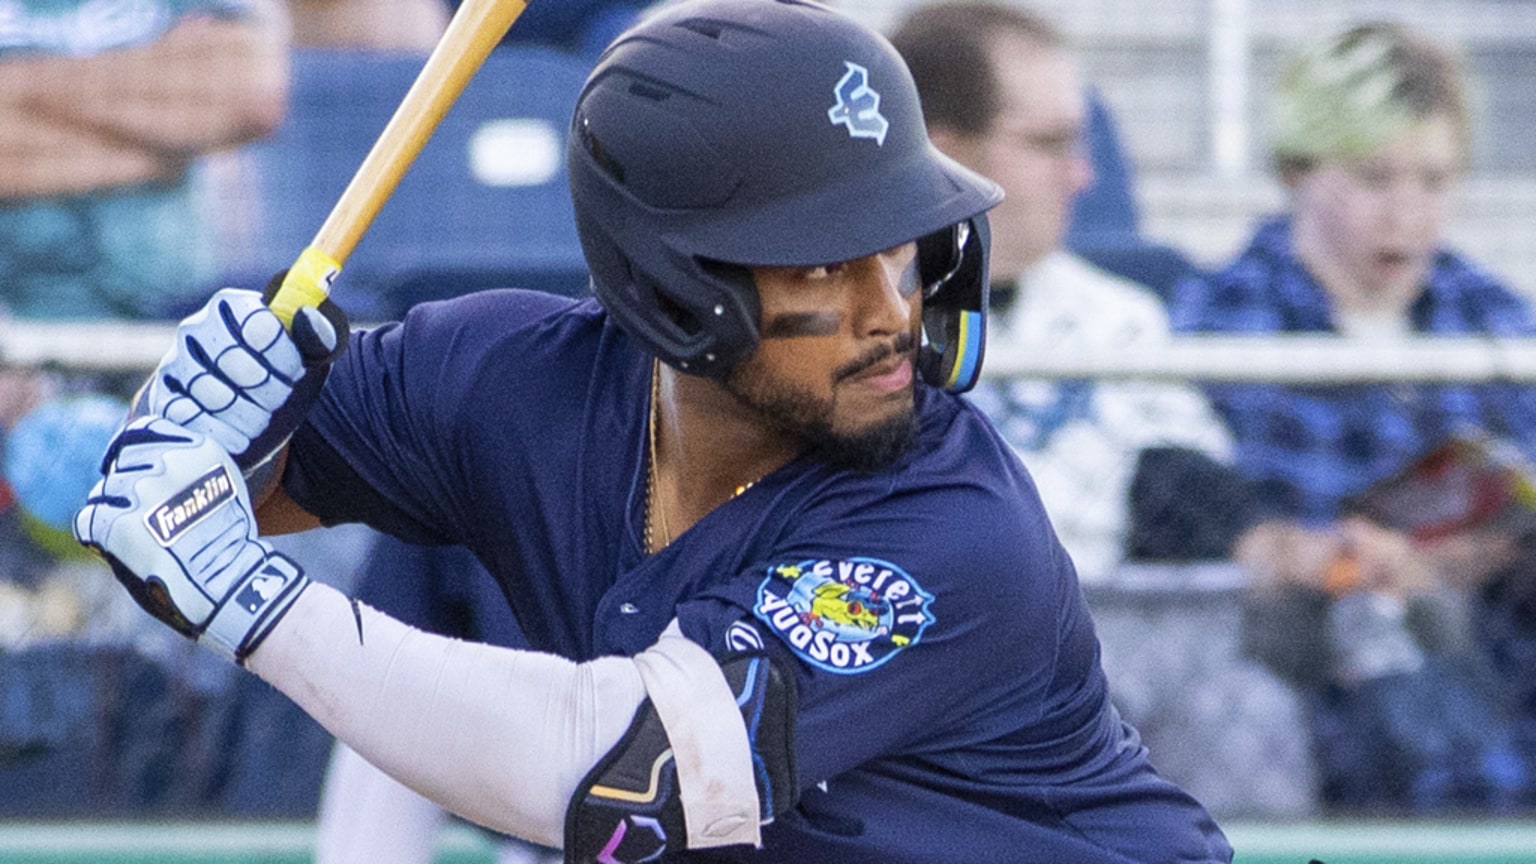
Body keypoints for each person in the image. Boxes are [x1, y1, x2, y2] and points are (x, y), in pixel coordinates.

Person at [75, 1, 1233, 860]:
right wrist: (184, 426)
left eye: (903, 244)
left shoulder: (956, 525)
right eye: (829, 258)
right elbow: (192, 516)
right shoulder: (501, 377)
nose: (893, 312)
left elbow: (617, 772)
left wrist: (256, 606)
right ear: (678, 290)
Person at [1170, 21, 1536, 812]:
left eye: (1435, 182)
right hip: (1310, 669)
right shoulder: (1221, 320)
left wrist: (1478, 552)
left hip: (1493, 654)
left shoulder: (1498, 320)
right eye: (1376, 179)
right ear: (1299, 171)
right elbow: (1223, 516)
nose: (1408, 213)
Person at [888, 2, 1238, 582]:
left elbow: (1210, 519)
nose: (1082, 177)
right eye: (1049, 144)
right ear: (943, 153)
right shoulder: (849, 326)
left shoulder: (1122, 319)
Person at [0, 0, 288, 320]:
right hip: (12, 328)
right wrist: (160, 143)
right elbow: (201, 103)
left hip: (172, 322)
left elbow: (245, 96)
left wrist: (16, 94)